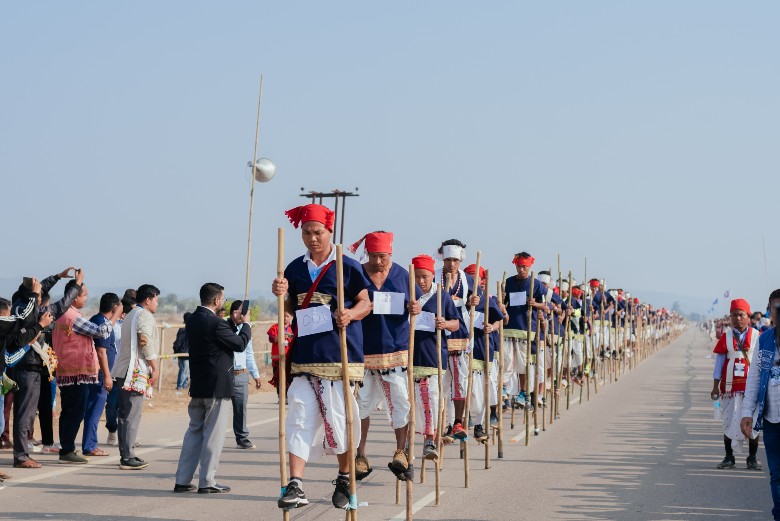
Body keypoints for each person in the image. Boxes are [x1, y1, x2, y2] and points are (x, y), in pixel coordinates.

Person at [272, 203, 371, 510]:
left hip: (338, 356)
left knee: (339, 420)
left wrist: (350, 314)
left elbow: (366, 303)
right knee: (299, 418)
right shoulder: (293, 268)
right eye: (306, 233)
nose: (312, 238)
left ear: (329, 232)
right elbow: (290, 309)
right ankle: (296, 484)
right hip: (304, 357)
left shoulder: (347, 266)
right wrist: (280, 295)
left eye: (317, 233)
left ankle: (344, 476)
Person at [173, 284, 252, 494]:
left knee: (194, 433)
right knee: (213, 436)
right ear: (217, 301)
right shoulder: (216, 323)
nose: (224, 303)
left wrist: (232, 323)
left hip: (199, 384)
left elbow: (217, 338)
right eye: (223, 300)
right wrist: (246, 324)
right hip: (217, 387)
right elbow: (239, 344)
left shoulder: (193, 320)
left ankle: (182, 480)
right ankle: (207, 481)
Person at [350, 231, 413, 481]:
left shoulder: (402, 275)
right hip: (362, 349)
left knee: (401, 402)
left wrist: (414, 308)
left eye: (383, 257)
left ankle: (401, 451)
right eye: (374, 256)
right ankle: (360, 456)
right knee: (360, 406)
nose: (378, 262)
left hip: (395, 350)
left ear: (391, 254)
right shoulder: (356, 273)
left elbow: (413, 305)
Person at [52, 273, 117, 465]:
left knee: (69, 411)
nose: (86, 298)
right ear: (74, 296)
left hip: (67, 370)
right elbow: (100, 332)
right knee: (75, 411)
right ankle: (68, 449)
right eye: (84, 294)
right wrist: (113, 316)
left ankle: (67, 447)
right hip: (75, 372)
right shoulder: (71, 316)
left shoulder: (62, 313)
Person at [409, 255, 460, 460]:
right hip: (409, 355)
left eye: (425, 277)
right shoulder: (408, 295)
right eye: (417, 277)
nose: (421, 281)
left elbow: (456, 323)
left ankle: (430, 438)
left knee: (431, 398)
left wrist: (444, 324)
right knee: (412, 403)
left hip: (433, 355)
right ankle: (408, 444)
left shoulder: (442, 297)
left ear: (432, 276)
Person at [111, 284, 160, 470]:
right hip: (135, 369)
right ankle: (128, 455)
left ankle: (126, 453)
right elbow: (144, 340)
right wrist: (154, 366)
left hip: (124, 369)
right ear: (147, 300)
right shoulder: (144, 315)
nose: (157, 303)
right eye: (156, 299)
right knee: (132, 414)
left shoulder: (131, 313)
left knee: (125, 414)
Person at [742, 289, 780, 520]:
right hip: (772, 418)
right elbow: (754, 377)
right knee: (776, 473)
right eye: (776, 308)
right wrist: (747, 412)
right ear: (770, 310)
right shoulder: (764, 339)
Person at [499, 252, 547, 412]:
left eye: (524, 267)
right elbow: (503, 304)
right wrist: (503, 299)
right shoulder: (509, 282)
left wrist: (535, 304)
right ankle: (504, 388)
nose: (521, 270)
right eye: (519, 266)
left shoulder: (536, 285)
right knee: (506, 360)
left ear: (529, 266)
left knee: (522, 363)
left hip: (526, 329)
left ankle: (523, 392)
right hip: (508, 327)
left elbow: (545, 307)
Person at [437, 239, 472, 442]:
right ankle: (438, 424)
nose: (452, 264)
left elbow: (475, 301)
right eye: (448, 259)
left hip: (459, 334)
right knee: (439, 382)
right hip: (439, 332)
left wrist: (472, 301)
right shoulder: (433, 277)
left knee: (460, 379)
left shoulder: (467, 280)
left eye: (455, 260)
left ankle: (458, 422)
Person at [465, 264, 504, 441]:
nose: (474, 281)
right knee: (463, 391)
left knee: (481, 392)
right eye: (469, 277)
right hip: (461, 352)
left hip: (482, 350)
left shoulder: (487, 301)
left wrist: (491, 327)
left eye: (476, 277)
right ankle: (458, 422)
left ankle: (479, 424)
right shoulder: (455, 299)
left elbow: (499, 321)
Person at [83, 293, 122, 457]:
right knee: (94, 410)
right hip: (99, 374)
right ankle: (90, 446)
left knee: (93, 409)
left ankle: (90, 443)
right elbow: (101, 352)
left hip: (95, 372)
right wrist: (107, 375)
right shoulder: (103, 323)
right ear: (114, 307)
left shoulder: (96, 319)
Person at [227, 300, 262, 449]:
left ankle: (242, 437)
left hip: (240, 374)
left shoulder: (246, 329)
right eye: (235, 311)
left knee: (241, 408)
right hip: (225, 374)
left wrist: (255, 374)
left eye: (241, 311)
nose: (238, 314)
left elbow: (249, 354)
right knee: (218, 408)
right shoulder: (224, 326)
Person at [105, 293, 135, 446]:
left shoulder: (132, 326)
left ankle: (128, 436)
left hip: (127, 371)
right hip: (113, 372)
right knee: (111, 406)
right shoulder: (113, 326)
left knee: (128, 406)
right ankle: (112, 429)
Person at [267, 310, 293, 393]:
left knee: (290, 378)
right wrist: (281, 336)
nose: (285, 318)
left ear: (291, 317)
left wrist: (289, 336)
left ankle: (289, 395)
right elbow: (271, 339)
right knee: (278, 378)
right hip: (277, 359)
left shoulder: (293, 328)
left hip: (290, 358)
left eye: (287, 316)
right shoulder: (274, 327)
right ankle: (281, 396)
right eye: (283, 316)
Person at [172, 312, 192, 392]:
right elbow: (178, 342)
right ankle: (179, 386)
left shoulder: (189, 328)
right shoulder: (183, 328)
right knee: (184, 370)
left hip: (187, 353)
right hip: (183, 353)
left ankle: (185, 386)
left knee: (187, 371)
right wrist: (176, 351)